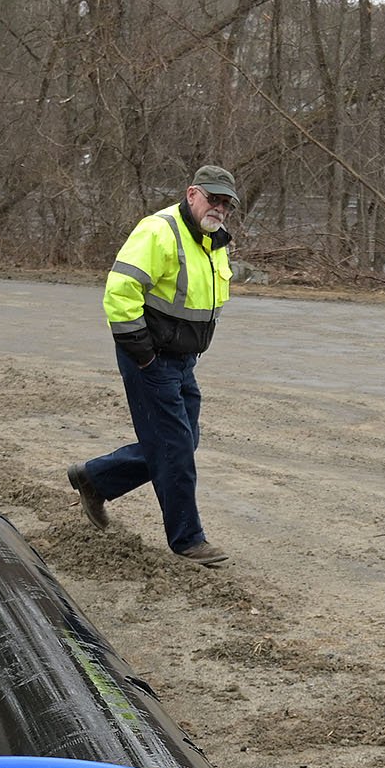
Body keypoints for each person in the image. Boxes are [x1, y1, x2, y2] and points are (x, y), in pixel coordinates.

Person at [71, 165, 238, 566]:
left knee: (184, 440)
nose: (219, 208)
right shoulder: (159, 230)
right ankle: (187, 540)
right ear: (192, 193)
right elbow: (119, 291)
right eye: (212, 199)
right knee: (175, 447)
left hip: (182, 360)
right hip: (150, 359)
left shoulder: (213, 241)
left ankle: (96, 479)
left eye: (226, 203)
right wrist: (142, 354)